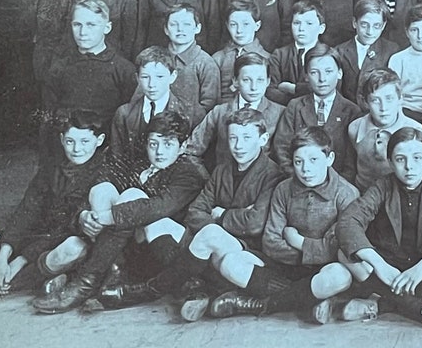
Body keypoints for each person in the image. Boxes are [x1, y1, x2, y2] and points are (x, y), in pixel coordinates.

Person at [99, 110, 284, 319]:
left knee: (212, 233)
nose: (238, 145)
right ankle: (194, 286)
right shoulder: (222, 170)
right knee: (158, 222)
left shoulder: (272, 174)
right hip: (208, 249)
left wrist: (220, 216)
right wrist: (232, 216)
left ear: (263, 139)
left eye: (246, 138)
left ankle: (148, 290)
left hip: (246, 254)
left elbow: (255, 224)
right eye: (233, 138)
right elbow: (195, 212)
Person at [32, 112, 207, 313]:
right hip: (127, 251)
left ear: (182, 146)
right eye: (153, 144)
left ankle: (85, 283)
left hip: (165, 253)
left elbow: (157, 207)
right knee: (102, 190)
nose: (159, 152)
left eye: (168, 144)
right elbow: (101, 182)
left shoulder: (188, 173)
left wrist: (108, 217)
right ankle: (110, 275)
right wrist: (84, 217)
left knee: (132, 196)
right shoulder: (139, 165)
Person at [331, 127, 422, 332]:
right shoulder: (382, 186)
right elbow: (348, 222)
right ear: (390, 161)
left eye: (417, 158)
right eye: (400, 159)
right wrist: (380, 265)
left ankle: (382, 303)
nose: (409, 167)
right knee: (344, 254)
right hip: (389, 270)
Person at [0, 111, 107, 297]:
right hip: (36, 239)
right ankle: (41, 279)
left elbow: (69, 228)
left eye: (85, 142)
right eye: (70, 141)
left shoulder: (103, 172)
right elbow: (27, 210)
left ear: (100, 140)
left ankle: (3, 283)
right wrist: (2, 257)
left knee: (74, 247)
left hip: (63, 241)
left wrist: (19, 261)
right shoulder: (52, 167)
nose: (76, 149)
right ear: (62, 139)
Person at [258, 127, 362, 323]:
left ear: (330, 158)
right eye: (299, 162)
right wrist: (310, 254)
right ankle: (309, 298)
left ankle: (270, 302)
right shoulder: (283, 189)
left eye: (314, 160)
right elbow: (271, 241)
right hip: (289, 266)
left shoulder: (347, 194)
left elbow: (337, 247)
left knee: (341, 276)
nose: (306, 169)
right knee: (239, 261)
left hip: (327, 268)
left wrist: (299, 242)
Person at [40, 0, 137, 137]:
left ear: (107, 28)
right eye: (77, 25)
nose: (83, 32)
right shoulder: (59, 68)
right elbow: (49, 117)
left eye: (91, 25)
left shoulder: (124, 70)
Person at [186, 52, 285, 170]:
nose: (254, 87)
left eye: (260, 80)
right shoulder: (219, 112)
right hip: (221, 183)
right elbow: (190, 150)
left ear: (268, 81)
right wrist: (209, 179)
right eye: (247, 80)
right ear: (235, 81)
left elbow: (283, 158)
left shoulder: (280, 113)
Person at [276, 44, 361, 176]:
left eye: (328, 72)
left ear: (339, 73)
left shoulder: (352, 111)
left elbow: (351, 163)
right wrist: (298, 177)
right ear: (306, 76)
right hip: (299, 180)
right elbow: (282, 149)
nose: (322, 79)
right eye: (314, 72)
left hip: (336, 186)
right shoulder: (295, 107)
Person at [110, 46, 203, 157]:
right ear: (137, 78)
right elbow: (116, 156)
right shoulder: (124, 114)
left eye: (159, 77)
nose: (152, 84)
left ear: (172, 77)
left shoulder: (191, 113)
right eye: (145, 77)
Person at [346, 69, 422, 190]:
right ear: (366, 102)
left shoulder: (415, 129)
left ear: (400, 99)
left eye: (389, 99)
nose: (383, 108)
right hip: (365, 195)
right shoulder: (355, 128)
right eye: (375, 100)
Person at [161, 3, 220, 116]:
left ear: (197, 28)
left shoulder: (206, 64)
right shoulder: (157, 59)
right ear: (166, 29)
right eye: (174, 24)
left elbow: (209, 106)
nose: (180, 29)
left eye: (186, 24)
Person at [334, 0, 395, 105]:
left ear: (383, 26)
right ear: (354, 23)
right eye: (364, 25)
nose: (370, 32)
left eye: (376, 26)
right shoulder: (340, 51)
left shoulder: (391, 50)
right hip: (347, 112)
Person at [388, 4, 422, 124]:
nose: (420, 36)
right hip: (406, 113)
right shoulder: (398, 59)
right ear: (407, 32)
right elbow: (393, 94)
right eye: (414, 30)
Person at [267, 0, 327, 106]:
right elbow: (270, 90)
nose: (301, 29)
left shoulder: (328, 55)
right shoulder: (279, 55)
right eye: (296, 23)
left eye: (309, 23)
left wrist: (294, 89)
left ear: (321, 29)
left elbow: (328, 89)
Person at [211, 0, 271, 99]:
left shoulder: (267, 58)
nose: (239, 30)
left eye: (246, 24)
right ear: (227, 26)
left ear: (257, 26)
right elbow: (213, 96)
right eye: (233, 25)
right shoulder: (218, 59)